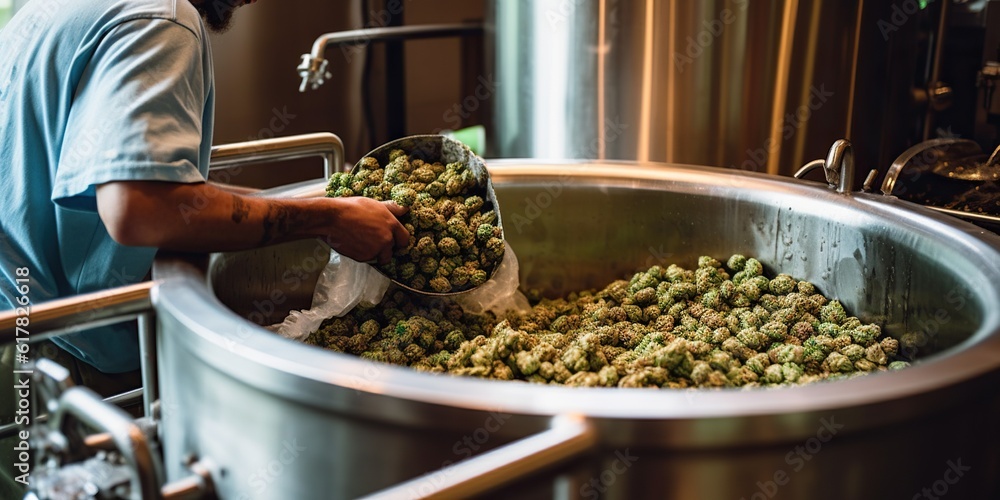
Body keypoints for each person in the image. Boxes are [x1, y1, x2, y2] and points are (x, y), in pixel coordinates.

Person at [0, 0, 408, 495]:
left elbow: (148, 183)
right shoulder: (164, 21)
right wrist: (326, 218)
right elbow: (138, 207)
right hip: (59, 347)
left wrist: (321, 206)